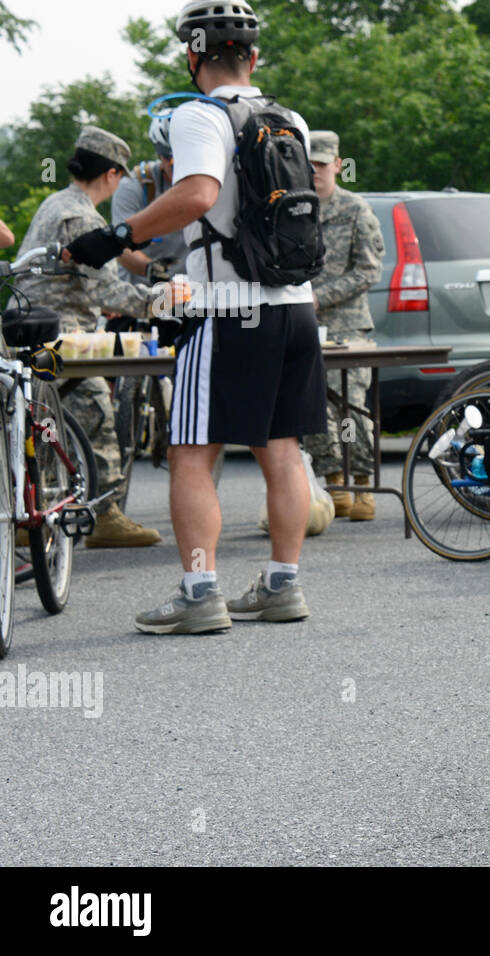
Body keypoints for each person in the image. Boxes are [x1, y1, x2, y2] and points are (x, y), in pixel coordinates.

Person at [65, 0, 326, 633]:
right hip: (297, 308)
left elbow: (199, 195)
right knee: (283, 450)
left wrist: (116, 233)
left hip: (227, 309)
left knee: (189, 453)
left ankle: (199, 591)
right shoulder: (288, 117)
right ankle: (282, 585)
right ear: (253, 58)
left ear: (192, 58)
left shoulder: (197, 114)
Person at [11, 126, 163, 548]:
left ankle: (29, 519)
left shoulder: (56, 201)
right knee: (95, 410)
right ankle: (104, 515)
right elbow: (107, 290)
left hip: (32, 327)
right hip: (61, 333)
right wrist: (164, 302)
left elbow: (81, 282)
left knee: (42, 423)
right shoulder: (83, 216)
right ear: (112, 175)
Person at [301, 130, 385, 522]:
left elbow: (369, 269)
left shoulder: (356, 210)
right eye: (308, 164)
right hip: (304, 325)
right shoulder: (293, 210)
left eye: (321, 164)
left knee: (350, 404)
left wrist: (323, 295)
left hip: (349, 327)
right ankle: (334, 480)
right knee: (314, 406)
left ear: (337, 165)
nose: (314, 171)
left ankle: (363, 481)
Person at [111, 112, 189, 287]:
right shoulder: (135, 185)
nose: (173, 165)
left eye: (182, 157)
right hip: (143, 293)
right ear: (159, 156)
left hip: (196, 293)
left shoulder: (215, 183)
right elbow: (121, 247)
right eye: (167, 158)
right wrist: (153, 270)